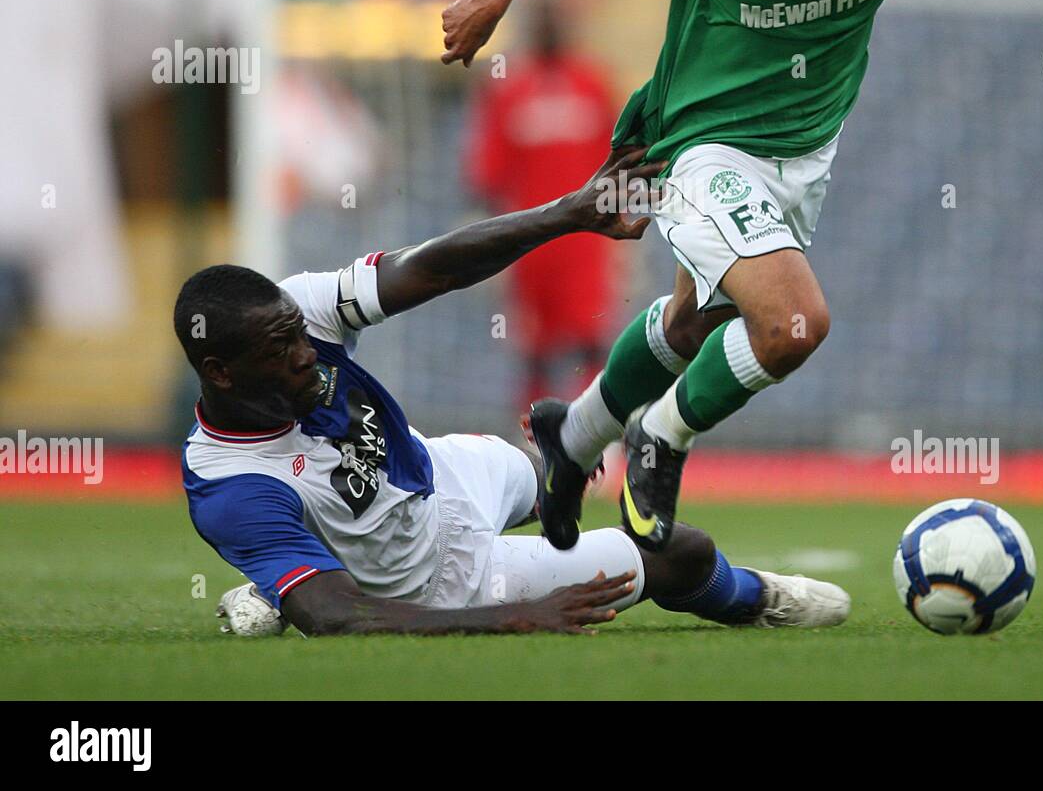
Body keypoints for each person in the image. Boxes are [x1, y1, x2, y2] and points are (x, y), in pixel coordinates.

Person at [440, 0, 1043, 553]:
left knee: (693, 323)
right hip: (700, 145)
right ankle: (659, 437)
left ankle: (570, 441)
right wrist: (492, 0)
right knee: (791, 326)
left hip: (805, 152)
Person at [176, 149, 849, 636]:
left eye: (299, 336)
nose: (305, 356)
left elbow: (431, 268)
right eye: (279, 352)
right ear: (222, 373)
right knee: (683, 555)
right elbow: (336, 616)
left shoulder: (295, 307)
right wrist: (511, 615)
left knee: (559, 473)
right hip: (439, 577)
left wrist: (568, 213)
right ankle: (759, 600)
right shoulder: (232, 484)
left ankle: (279, 577)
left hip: (438, 473)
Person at [463, 0, 621, 409]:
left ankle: (599, 436)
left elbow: (621, 159)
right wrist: (488, 247)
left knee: (591, 341)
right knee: (534, 352)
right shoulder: (509, 89)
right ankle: (534, 441)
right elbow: (488, 175)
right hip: (529, 242)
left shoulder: (593, 84)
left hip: (586, 243)